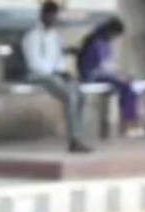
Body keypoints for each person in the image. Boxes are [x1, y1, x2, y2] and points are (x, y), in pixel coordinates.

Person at [22, 1, 93, 153]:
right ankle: (74, 140)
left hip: (54, 76)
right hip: (37, 75)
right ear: (42, 16)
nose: (52, 19)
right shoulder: (32, 36)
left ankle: (80, 136)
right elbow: (34, 63)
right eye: (49, 15)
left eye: (54, 16)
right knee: (70, 95)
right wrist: (55, 73)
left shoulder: (56, 37)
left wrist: (63, 72)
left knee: (80, 94)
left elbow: (58, 59)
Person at [77, 16, 145, 139]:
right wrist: (118, 76)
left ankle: (133, 121)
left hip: (104, 74)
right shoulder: (96, 42)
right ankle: (127, 123)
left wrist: (120, 74)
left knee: (132, 85)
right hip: (92, 75)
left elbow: (109, 65)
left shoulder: (106, 43)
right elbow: (101, 67)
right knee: (125, 85)